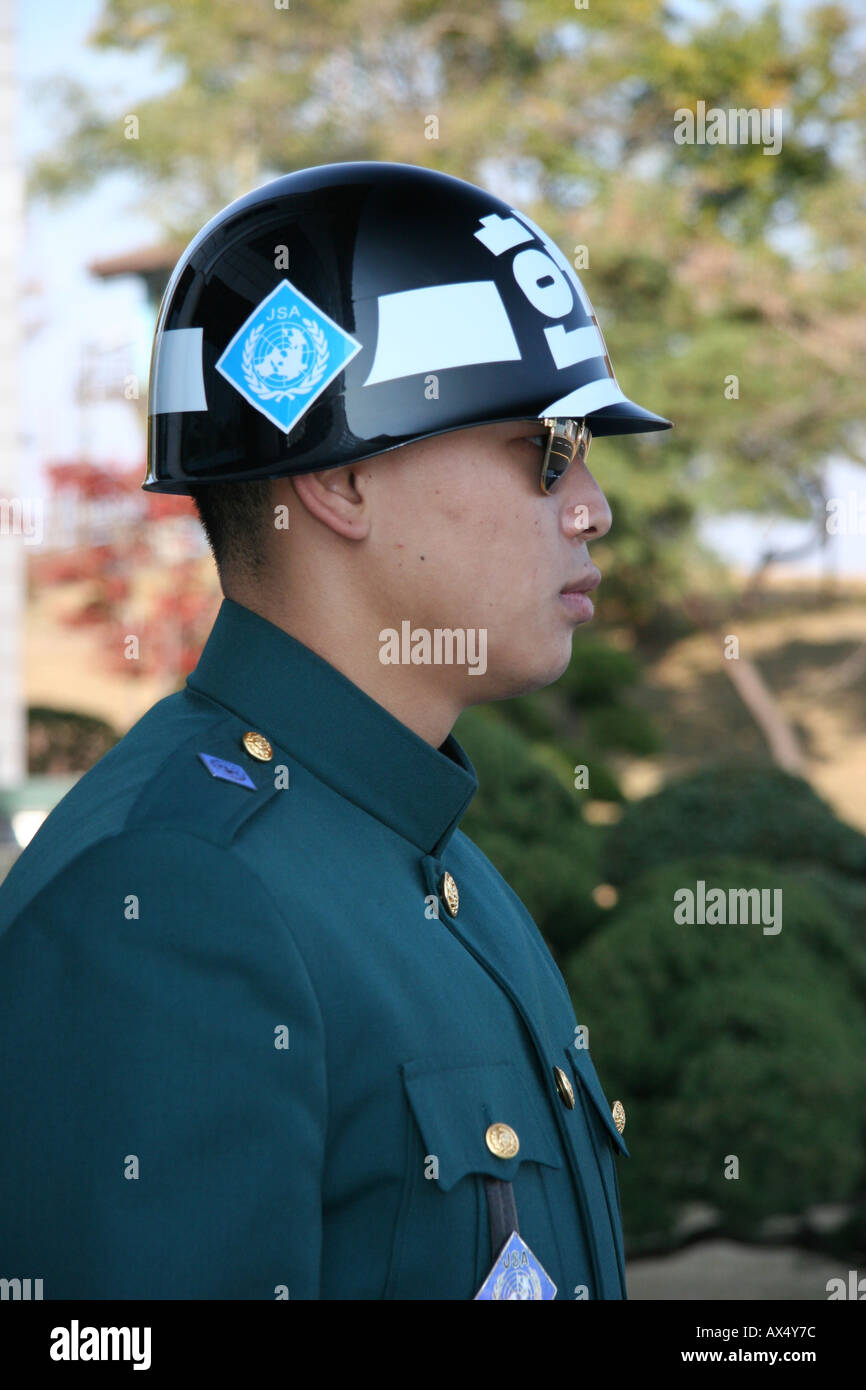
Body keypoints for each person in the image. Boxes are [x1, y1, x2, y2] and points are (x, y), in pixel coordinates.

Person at [0, 161, 671, 1300]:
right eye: (546, 448)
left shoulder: (431, 858)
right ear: (345, 479)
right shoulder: (170, 898)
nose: (589, 505)